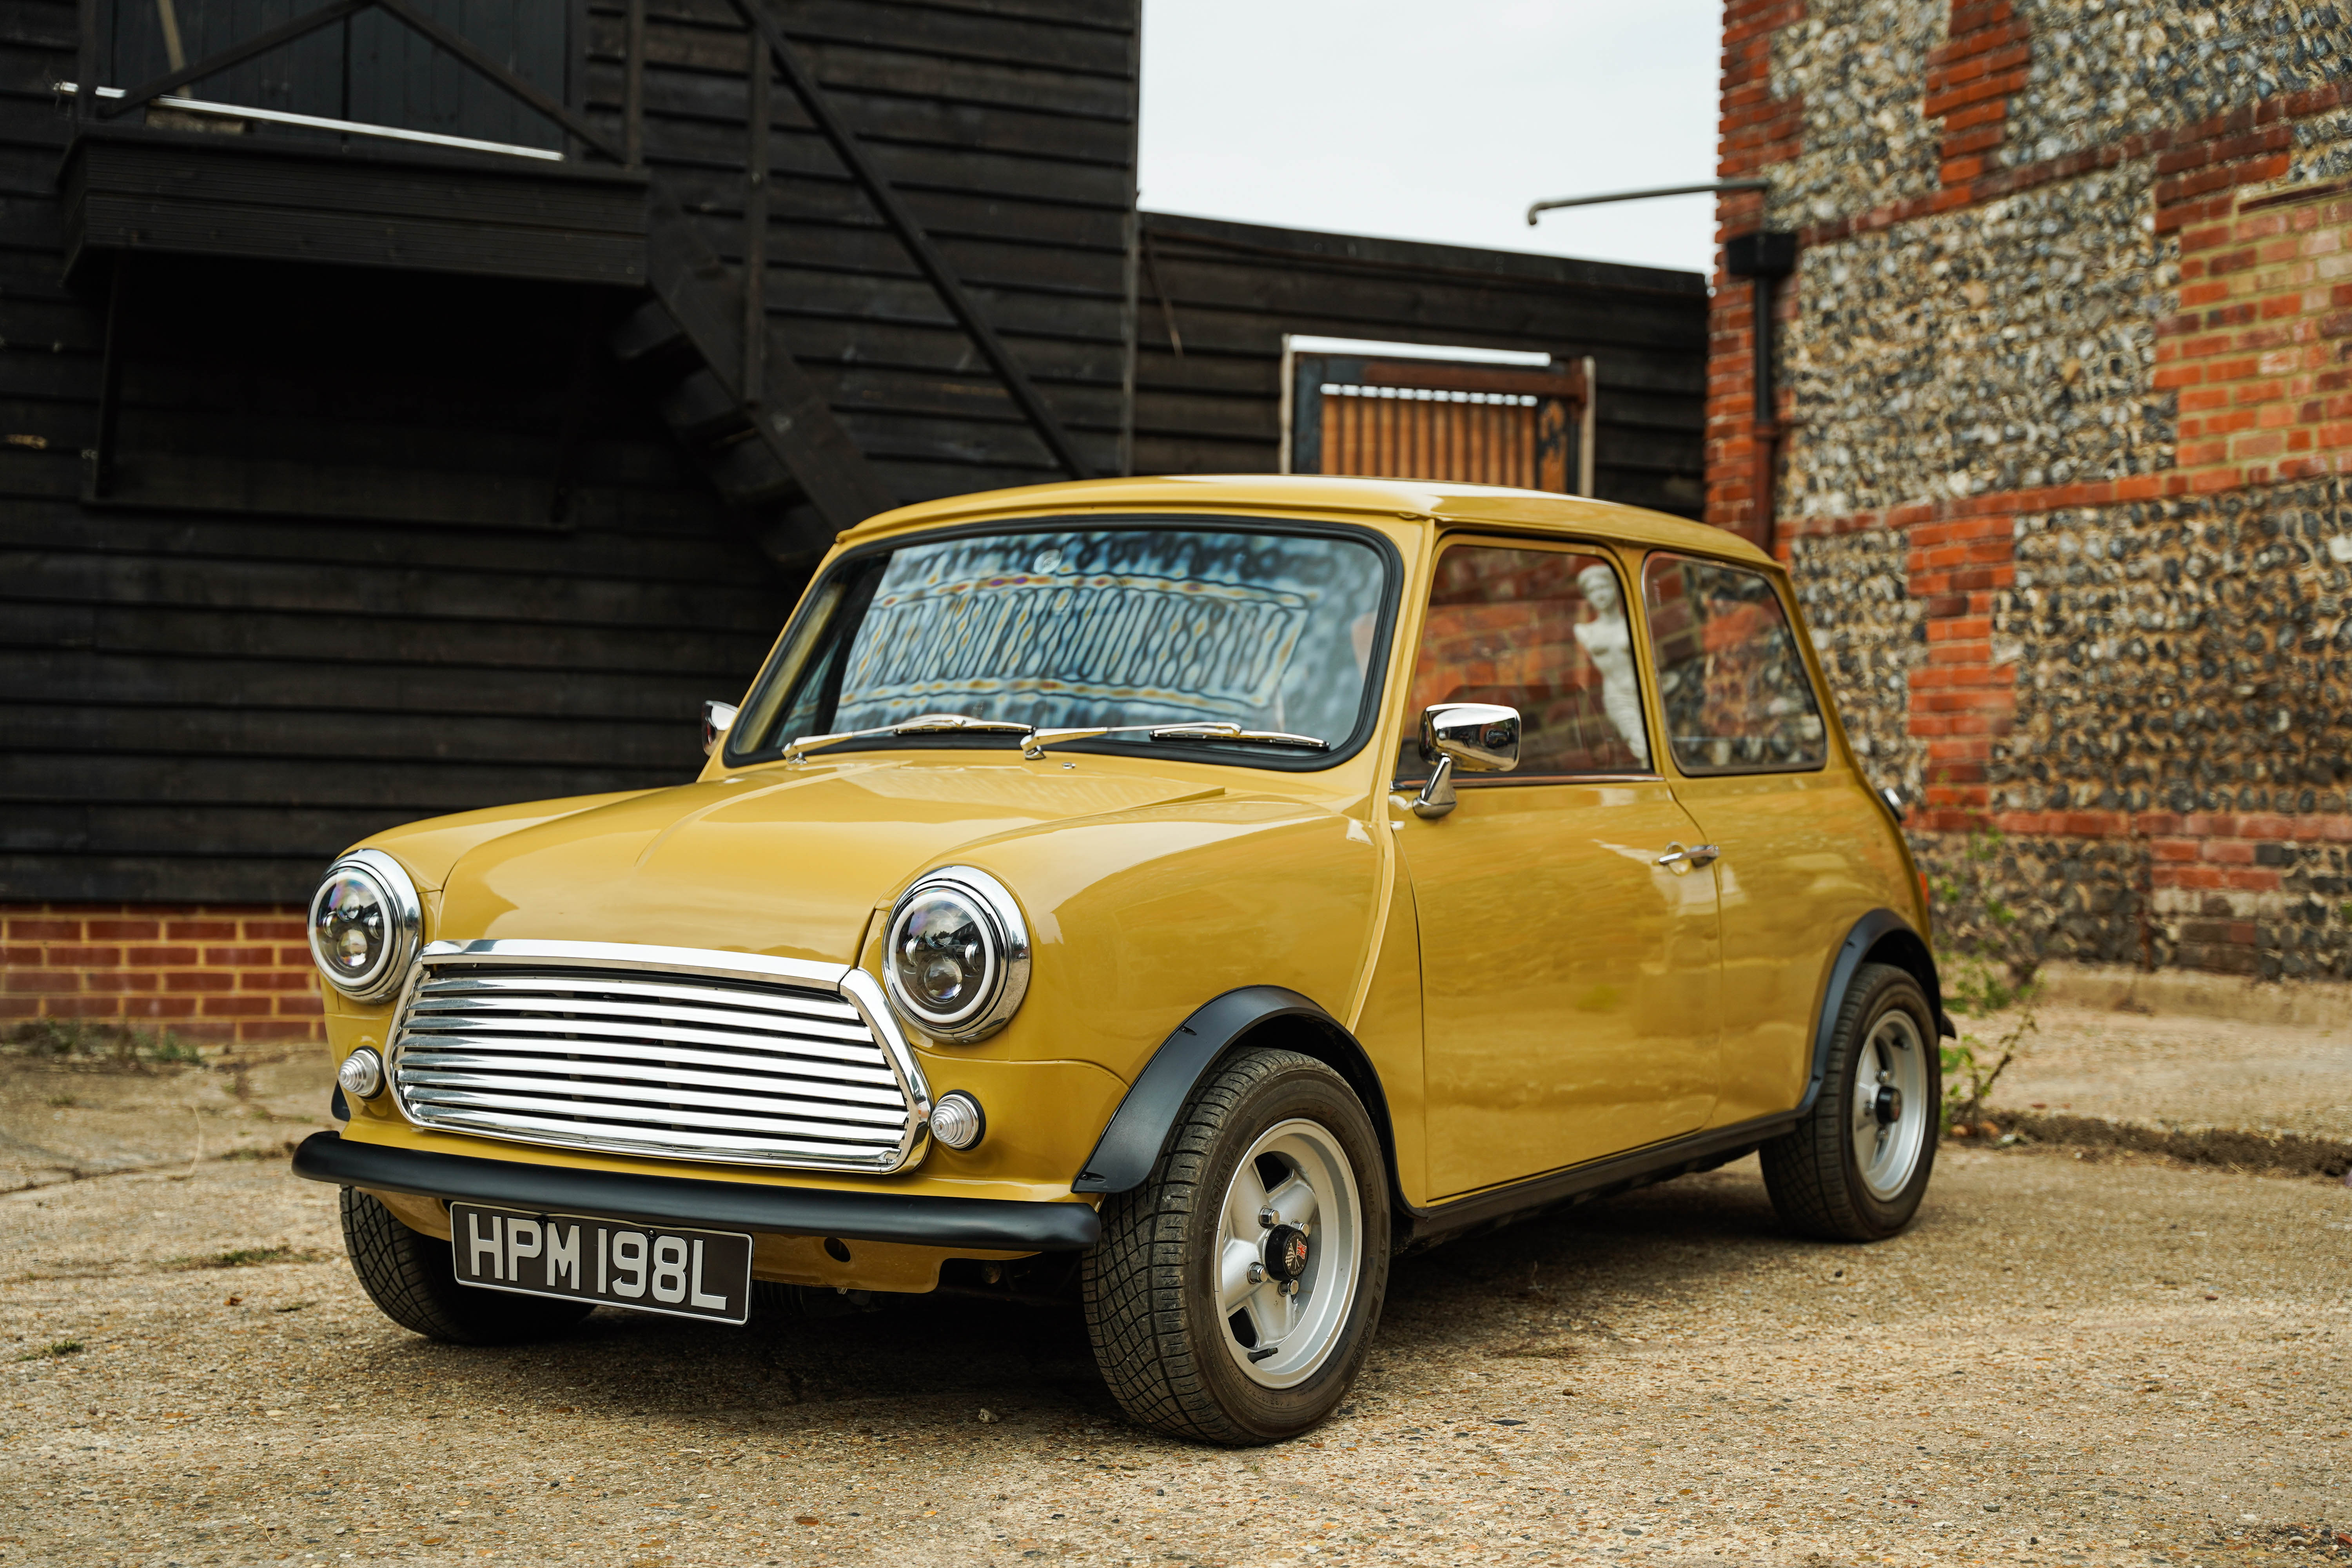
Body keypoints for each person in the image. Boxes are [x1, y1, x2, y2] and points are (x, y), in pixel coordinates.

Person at [1573, 561, 1650, 767]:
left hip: (1645, 692)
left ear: (1614, 588)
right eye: (1592, 591)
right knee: (1640, 744)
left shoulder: (1633, 623)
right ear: (1587, 597)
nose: (1599, 595)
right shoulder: (1585, 631)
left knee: (1654, 752)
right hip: (1618, 695)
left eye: (1603, 587)